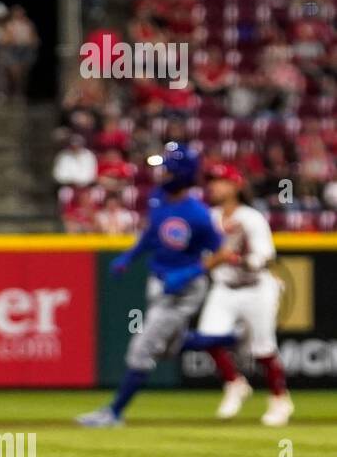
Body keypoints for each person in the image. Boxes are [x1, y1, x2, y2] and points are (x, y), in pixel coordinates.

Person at [77, 143, 222, 427]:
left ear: (181, 173)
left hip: (184, 288)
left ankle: (114, 412)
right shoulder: (158, 198)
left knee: (142, 348)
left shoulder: (198, 214)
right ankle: (233, 339)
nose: (162, 173)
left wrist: (190, 272)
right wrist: (130, 257)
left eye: (167, 168)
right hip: (159, 280)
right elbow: (150, 235)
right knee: (168, 349)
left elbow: (223, 252)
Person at [182, 164, 292, 426]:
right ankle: (235, 383)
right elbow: (200, 252)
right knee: (207, 338)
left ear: (236, 186)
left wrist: (238, 258)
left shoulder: (251, 217)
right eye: (212, 181)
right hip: (224, 288)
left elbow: (264, 257)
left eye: (221, 181)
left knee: (264, 348)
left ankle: (280, 400)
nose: (214, 186)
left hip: (256, 287)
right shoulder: (209, 217)